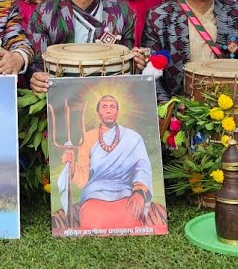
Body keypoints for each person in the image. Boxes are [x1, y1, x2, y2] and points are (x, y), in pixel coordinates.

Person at [59, 95, 167, 232]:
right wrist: (71, 166)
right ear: (98, 113)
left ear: (118, 112)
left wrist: (139, 193)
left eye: (112, 107)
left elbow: (142, 166)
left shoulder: (133, 137)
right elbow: (83, 176)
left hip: (125, 191)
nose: (108, 111)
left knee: (131, 220)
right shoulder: (87, 137)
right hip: (95, 193)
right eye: (104, 107)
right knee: (91, 222)